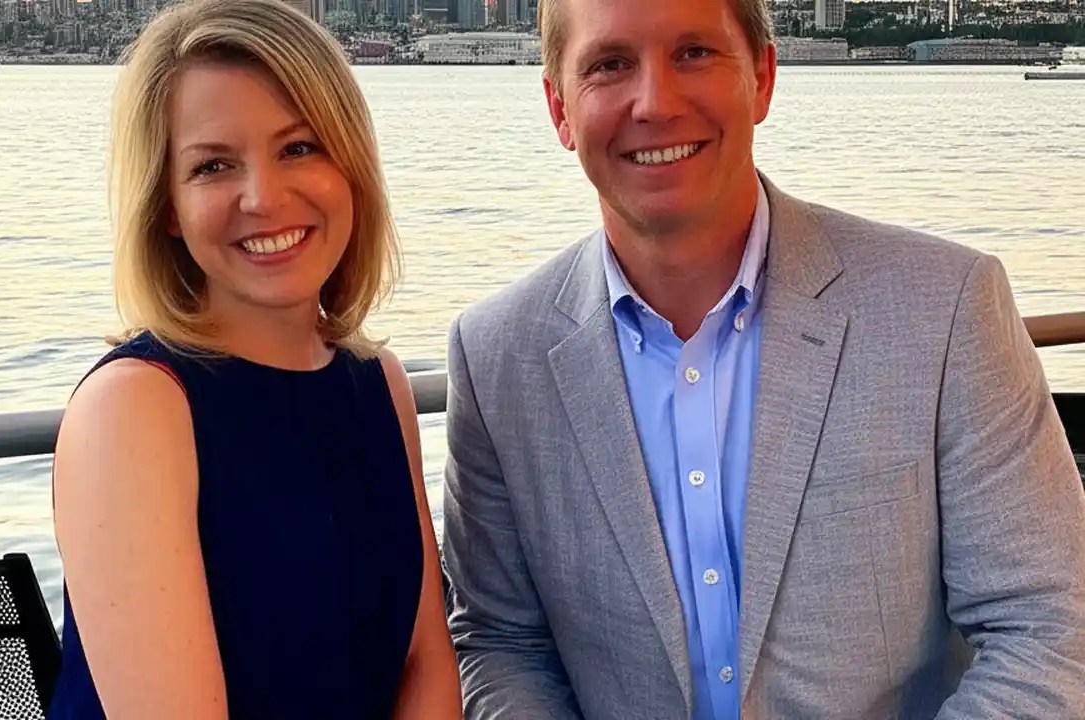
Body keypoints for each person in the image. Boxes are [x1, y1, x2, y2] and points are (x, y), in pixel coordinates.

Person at [439, 0, 1085, 717]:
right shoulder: (497, 357)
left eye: (694, 54)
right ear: (559, 108)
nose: (655, 102)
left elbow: (1049, 625)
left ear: (765, 77)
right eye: (610, 64)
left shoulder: (943, 307)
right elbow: (501, 645)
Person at [46, 0, 461, 717]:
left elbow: (426, 663)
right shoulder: (135, 409)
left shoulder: (377, 384)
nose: (264, 197)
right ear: (167, 206)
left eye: (299, 148)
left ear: (351, 166)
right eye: (213, 166)